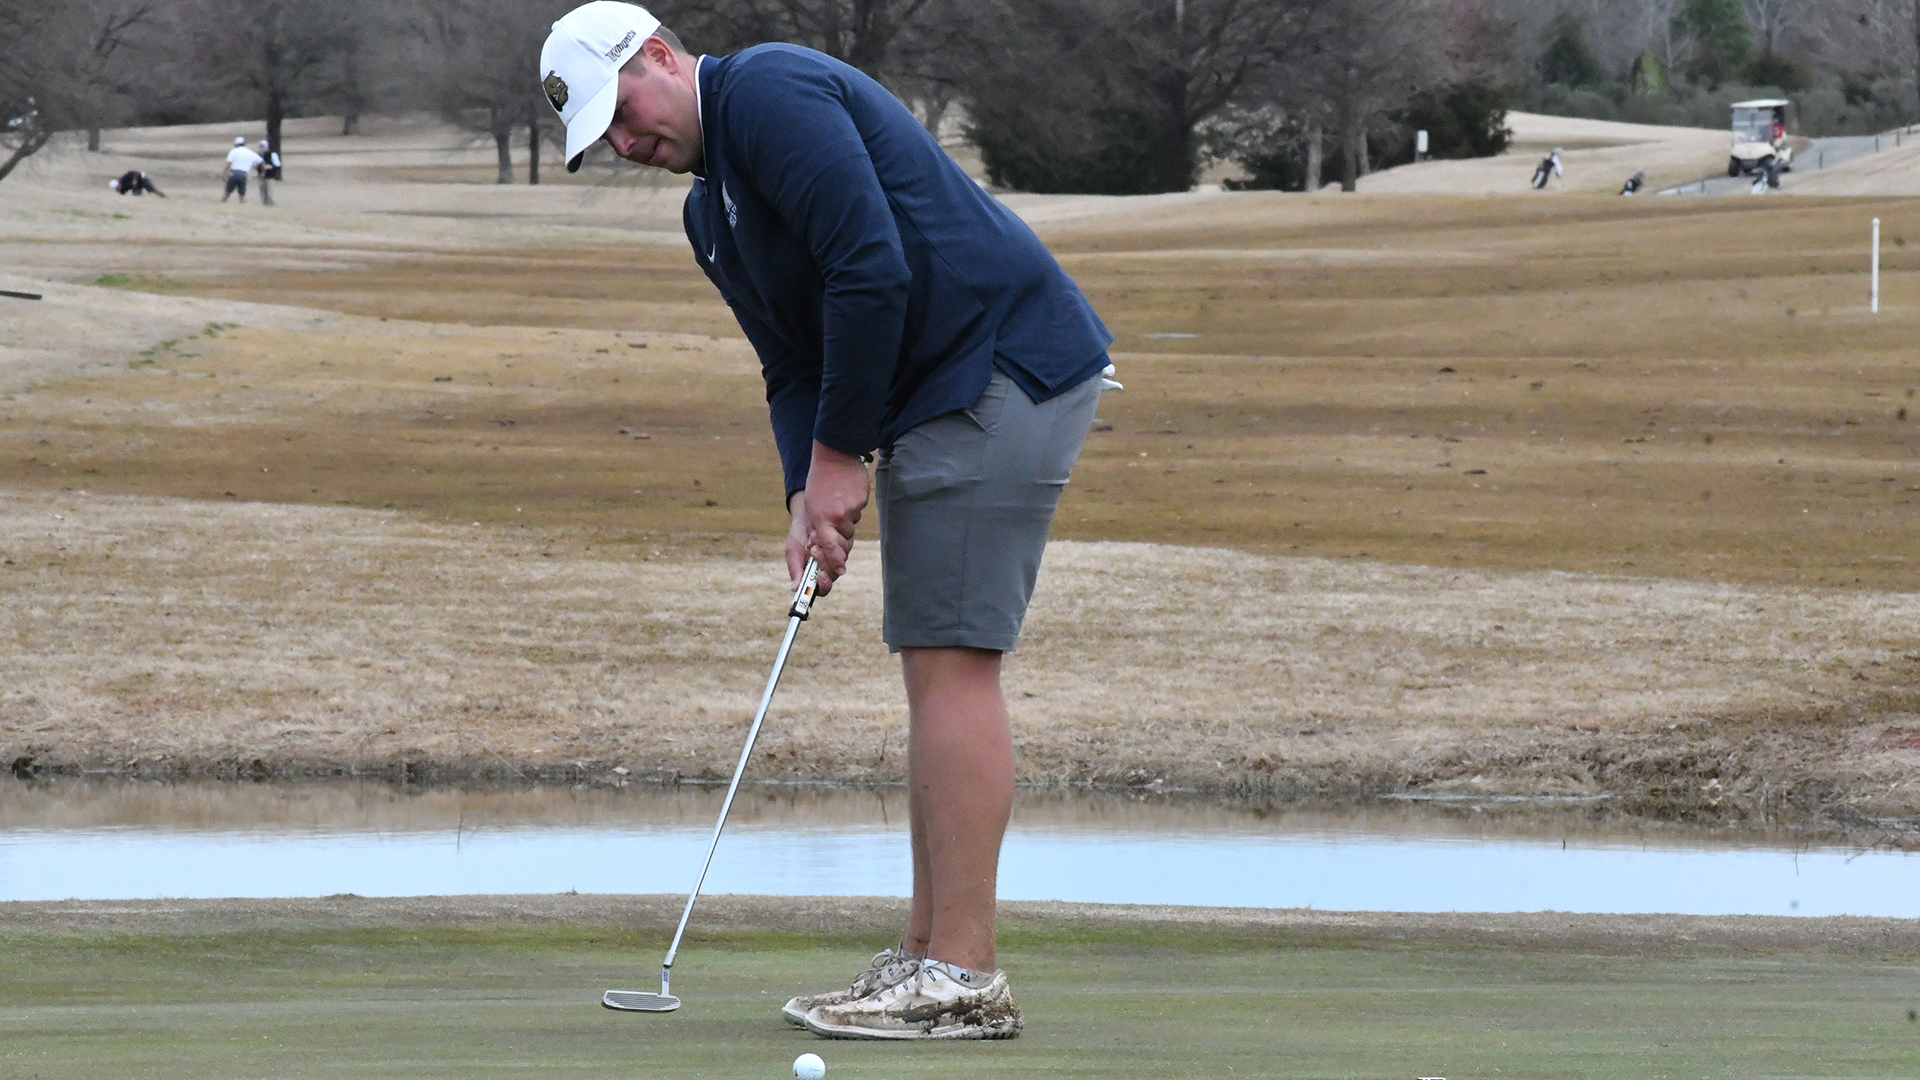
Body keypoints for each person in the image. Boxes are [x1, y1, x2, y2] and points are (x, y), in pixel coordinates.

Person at [540, 1, 1112, 1041]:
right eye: (601, 140)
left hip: (999, 370)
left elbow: (869, 267)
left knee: (953, 662)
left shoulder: (768, 90)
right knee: (930, 668)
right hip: (942, 392)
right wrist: (804, 491)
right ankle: (928, 953)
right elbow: (790, 365)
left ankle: (963, 976)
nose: (623, 144)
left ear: (659, 56)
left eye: (621, 113)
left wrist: (843, 454)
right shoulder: (711, 213)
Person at [220, 136, 262, 203]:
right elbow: (260, 161)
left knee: (227, 193)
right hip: (243, 174)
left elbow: (228, 164)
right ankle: (243, 205)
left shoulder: (234, 151)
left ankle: (222, 203)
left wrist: (224, 173)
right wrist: (259, 172)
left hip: (234, 173)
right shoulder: (250, 152)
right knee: (242, 195)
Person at [255, 139, 282, 206]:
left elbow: (277, 165)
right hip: (261, 177)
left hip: (270, 176)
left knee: (269, 192)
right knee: (262, 192)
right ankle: (264, 204)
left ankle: (271, 205)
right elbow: (256, 165)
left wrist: (270, 167)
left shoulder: (272, 155)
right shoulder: (259, 155)